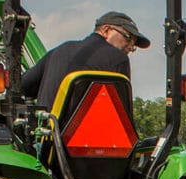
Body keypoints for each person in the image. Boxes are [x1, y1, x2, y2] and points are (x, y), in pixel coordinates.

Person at [21, 11, 150, 110]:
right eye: (128, 38)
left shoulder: (59, 50)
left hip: (46, 139)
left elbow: (24, 86)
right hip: (89, 141)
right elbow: (121, 112)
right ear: (106, 30)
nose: (129, 47)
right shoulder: (118, 59)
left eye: (133, 46)